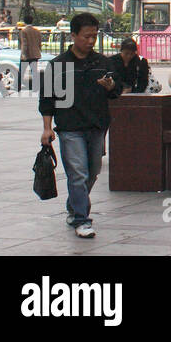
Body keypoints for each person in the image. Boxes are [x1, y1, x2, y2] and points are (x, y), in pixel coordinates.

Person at [38, 12, 121, 238]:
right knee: (78, 174)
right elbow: (47, 100)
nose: (91, 41)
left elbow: (117, 91)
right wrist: (47, 128)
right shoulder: (58, 65)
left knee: (92, 172)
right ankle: (82, 220)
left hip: (97, 126)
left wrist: (111, 86)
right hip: (69, 128)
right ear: (74, 35)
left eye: (94, 36)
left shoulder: (103, 63)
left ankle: (75, 205)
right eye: (86, 36)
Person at [19, 14, 43, 93]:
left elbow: (24, 44)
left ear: (24, 22)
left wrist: (23, 54)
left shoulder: (24, 31)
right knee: (34, 72)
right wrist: (38, 50)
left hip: (27, 54)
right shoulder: (36, 31)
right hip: (35, 54)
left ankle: (18, 86)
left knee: (22, 71)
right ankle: (36, 87)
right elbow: (39, 43)